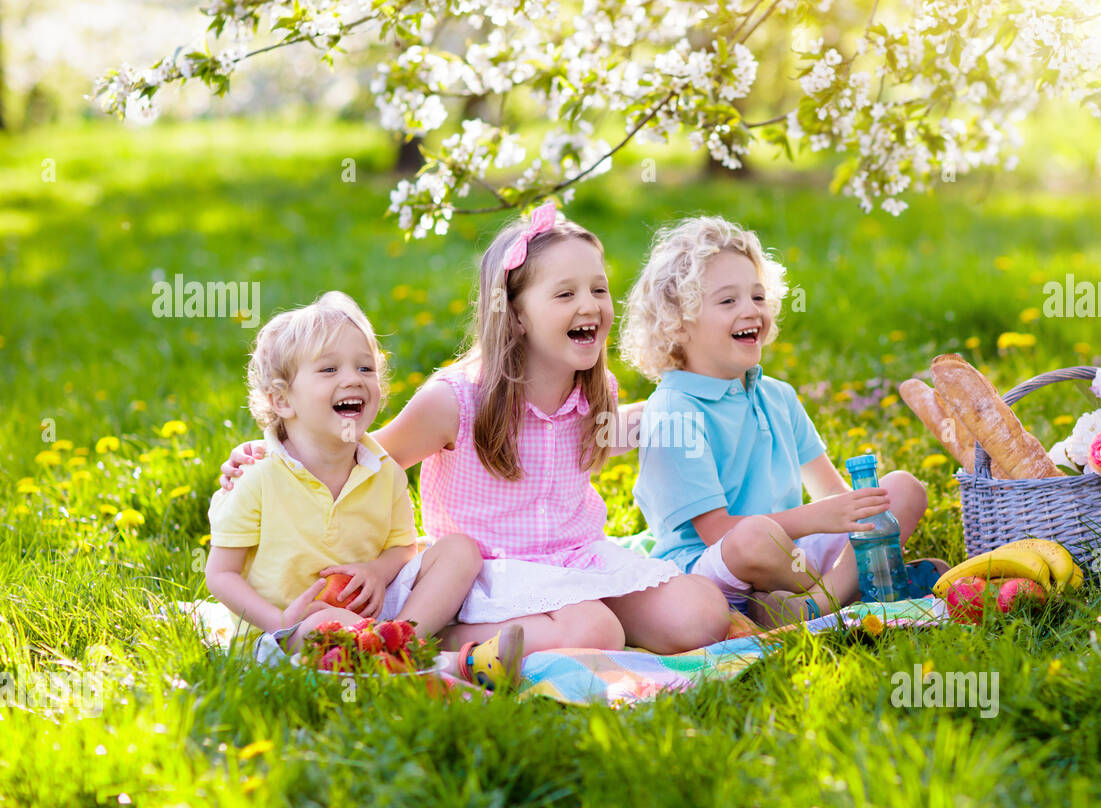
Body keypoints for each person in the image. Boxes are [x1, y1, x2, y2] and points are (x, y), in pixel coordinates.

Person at [219, 205, 730, 688]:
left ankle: (554, 629)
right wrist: (272, 452)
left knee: (703, 615)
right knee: (597, 633)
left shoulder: (595, 391)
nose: (590, 305)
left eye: (599, 288)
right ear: (515, 313)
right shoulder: (455, 400)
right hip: (484, 577)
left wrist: (695, 405)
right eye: (565, 293)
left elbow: (618, 431)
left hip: (575, 561)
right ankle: (424, 641)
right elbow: (368, 452)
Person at [620, 216, 948, 628]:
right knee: (754, 537)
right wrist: (820, 518)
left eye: (758, 297)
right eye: (728, 301)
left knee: (903, 489)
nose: (751, 311)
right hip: (716, 572)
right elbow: (718, 531)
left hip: (793, 560)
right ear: (678, 324)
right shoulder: (675, 411)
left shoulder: (777, 396)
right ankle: (849, 591)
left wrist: (862, 517)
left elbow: (830, 492)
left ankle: (818, 601)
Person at [205, 291, 482, 657]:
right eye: (329, 369)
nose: (353, 379)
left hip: (367, 608)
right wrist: (279, 620)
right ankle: (393, 652)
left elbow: (402, 547)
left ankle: (403, 640)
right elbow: (220, 574)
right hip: (286, 628)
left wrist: (377, 572)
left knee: (461, 550)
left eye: (365, 368)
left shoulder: (383, 470)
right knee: (322, 624)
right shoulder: (259, 475)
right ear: (283, 400)